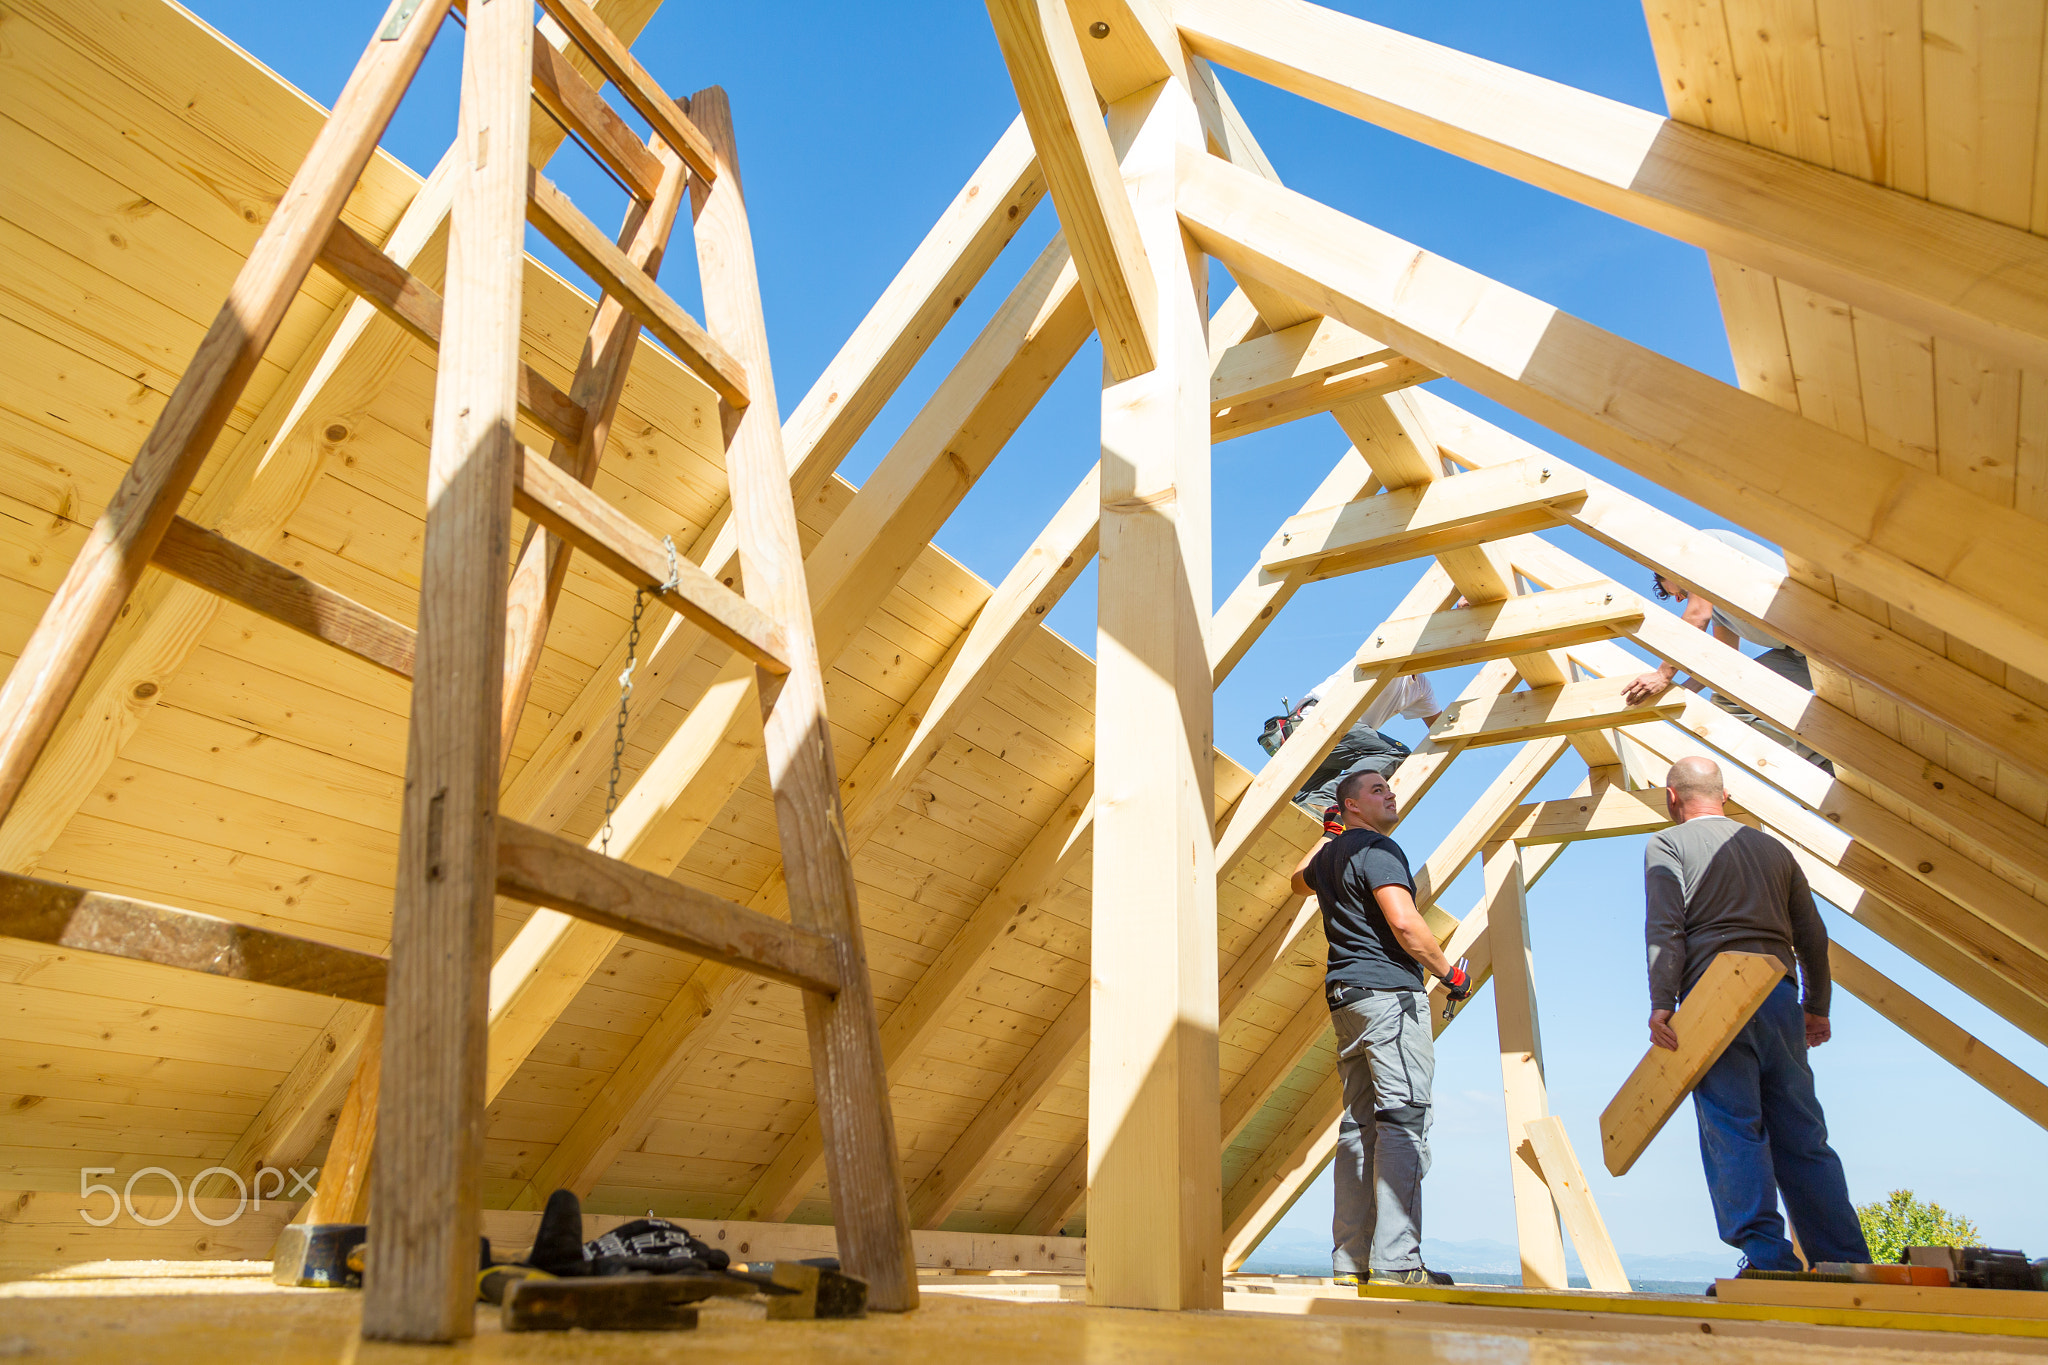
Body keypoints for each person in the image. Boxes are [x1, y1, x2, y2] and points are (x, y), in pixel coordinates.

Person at [1643, 756, 1870, 1273]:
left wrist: (1662, 1003)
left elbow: (1666, 929)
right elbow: (1813, 936)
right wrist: (1816, 1008)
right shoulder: (1774, 850)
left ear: (1672, 798)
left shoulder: (1668, 845)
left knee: (1732, 1127)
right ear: (1724, 796)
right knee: (1803, 1134)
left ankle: (1770, 1260)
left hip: (1713, 995)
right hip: (1777, 993)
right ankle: (1843, 1261)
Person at [1290, 768, 1472, 1286]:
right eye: (1376, 790)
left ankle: (1351, 1264)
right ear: (1351, 807)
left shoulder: (1332, 855)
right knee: (1404, 1122)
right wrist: (1450, 973)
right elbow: (1405, 921)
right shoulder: (1378, 849)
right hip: (1390, 997)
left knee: (1358, 1127)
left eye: (1389, 788)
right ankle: (1398, 1265)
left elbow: (1297, 883)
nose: (1389, 793)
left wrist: (1327, 836)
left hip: (1346, 1000)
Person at [1620, 528, 1830, 771]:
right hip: (1801, 653)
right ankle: (1828, 764)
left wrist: (1663, 675)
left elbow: (1698, 615)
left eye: (1680, 593)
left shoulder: (1698, 547)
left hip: (1820, 628)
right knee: (1731, 699)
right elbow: (1723, 660)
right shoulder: (1721, 605)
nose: (1680, 600)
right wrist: (1683, 693)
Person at [1264, 665, 1441, 812]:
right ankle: (1329, 797)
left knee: (1304, 808)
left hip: (1339, 742)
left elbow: (1440, 728)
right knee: (1397, 753)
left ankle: (1318, 805)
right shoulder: (1388, 653)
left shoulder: (1420, 687)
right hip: (1322, 721)